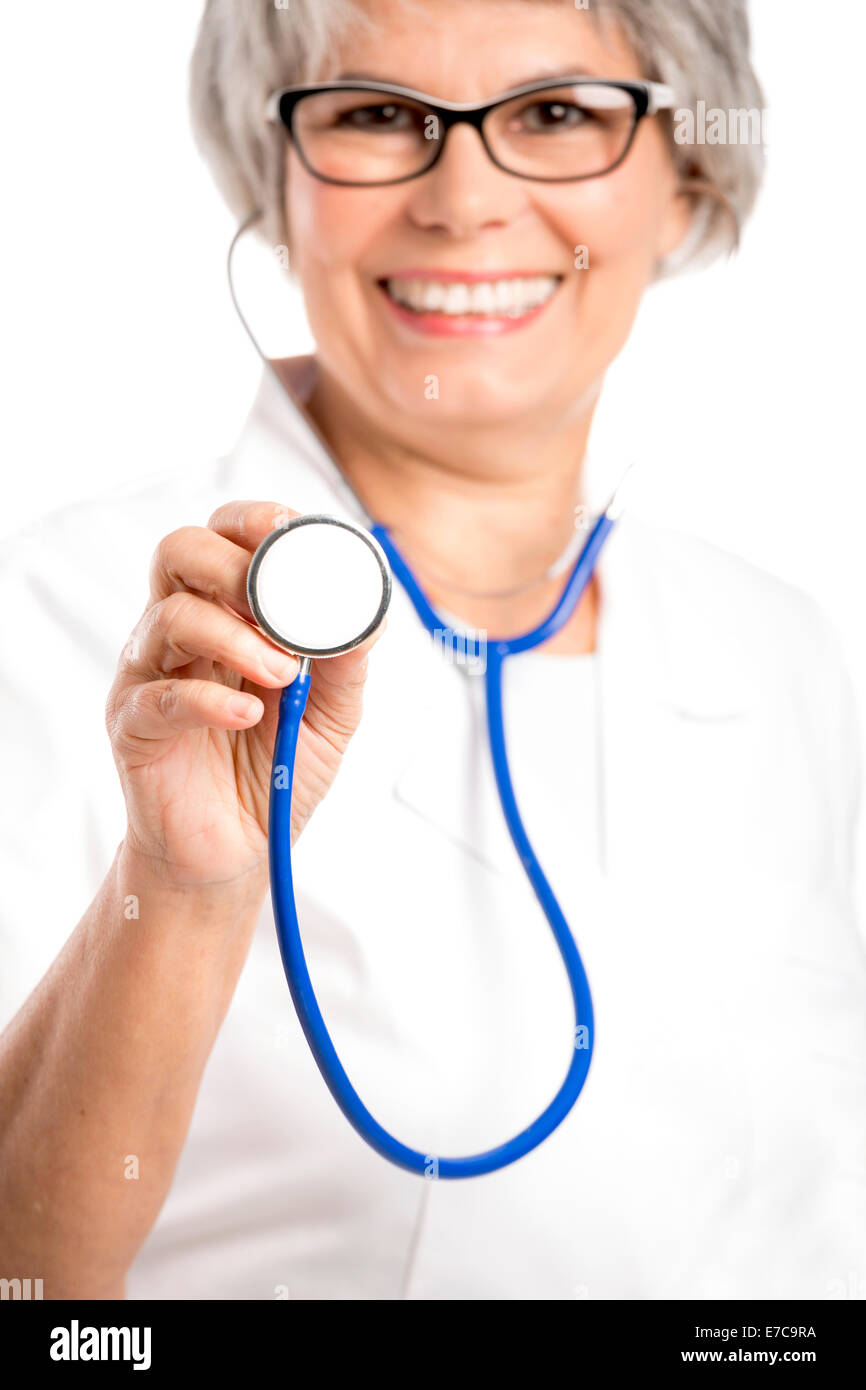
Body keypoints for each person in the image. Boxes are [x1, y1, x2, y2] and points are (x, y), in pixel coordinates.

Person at [1, 0, 864, 1301]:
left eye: (556, 114)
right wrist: (177, 890)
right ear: (271, 175)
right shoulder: (49, 615)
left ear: (684, 180)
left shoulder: (781, 642)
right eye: (374, 116)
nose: (462, 200)